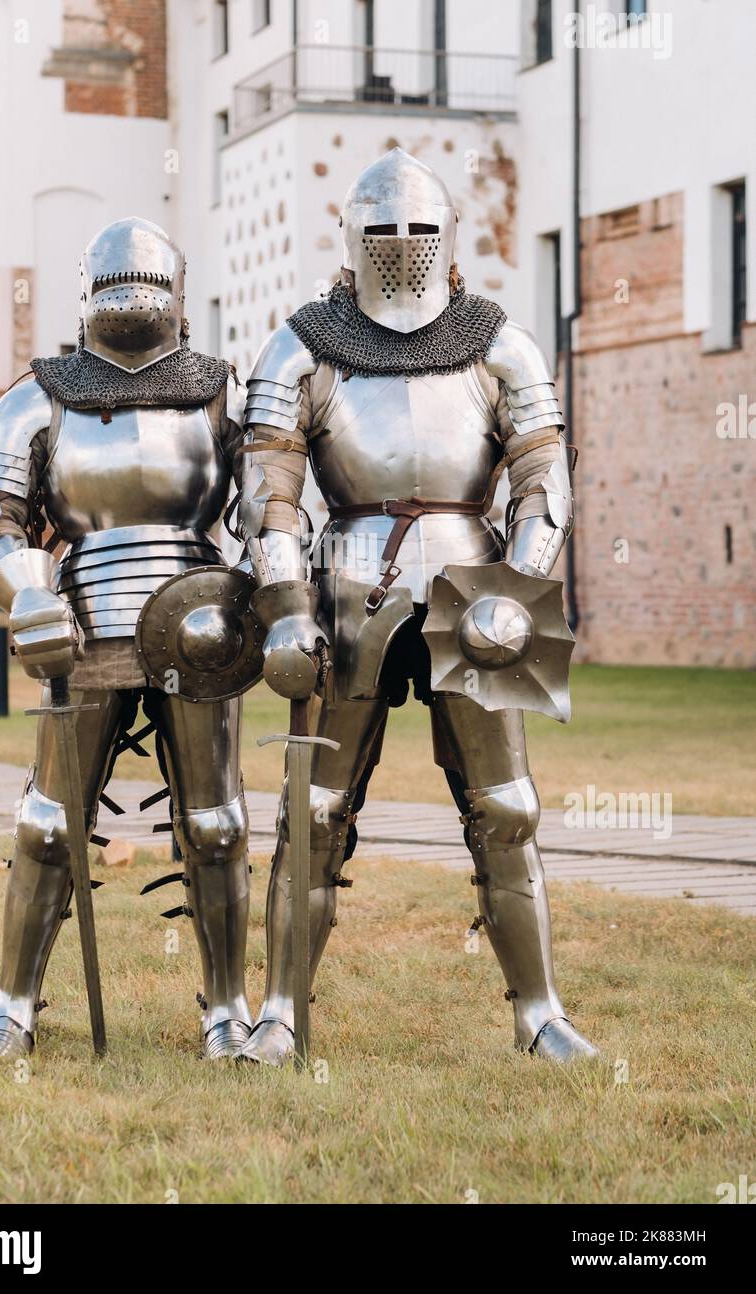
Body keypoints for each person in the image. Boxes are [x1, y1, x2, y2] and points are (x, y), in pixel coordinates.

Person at [238, 149, 598, 1066]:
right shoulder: (303, 344)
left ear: (448, 238)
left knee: (507, 809)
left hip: (475, 590)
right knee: (314, 813)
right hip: (346, 589)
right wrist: (285, 601)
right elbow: (269, 486)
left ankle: (541, 1013)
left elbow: (544, 475)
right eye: (383, 230)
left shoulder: (497, 342)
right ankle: (280, 1009)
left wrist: (518, 585)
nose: (402, 246)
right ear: (352, 242)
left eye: (419, 229)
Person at [0, 218, 252, 1060]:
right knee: (50, 822)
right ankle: (12, 1005)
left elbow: (268, 502)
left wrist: (280, 581)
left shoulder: (218, 392)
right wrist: (27, 590)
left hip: (203, 620)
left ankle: (228, 1008)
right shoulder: (36, 395)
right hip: (82, 617)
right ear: (85, 291)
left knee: (216, 823)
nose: (134, 297)